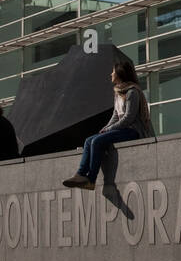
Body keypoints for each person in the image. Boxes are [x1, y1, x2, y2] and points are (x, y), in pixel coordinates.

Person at [63, 61, 153, 190]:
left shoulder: (132, 92)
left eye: (113, 71)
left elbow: (129, 118)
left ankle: (91, 179)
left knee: (97, 141)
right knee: (89, 140)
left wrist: (110, 129)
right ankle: (80, 175)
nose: (111, 74)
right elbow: (115, 115)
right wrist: (105, 128)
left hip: (133, 131)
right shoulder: (118, 93)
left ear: (120, 73)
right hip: (122, 129)